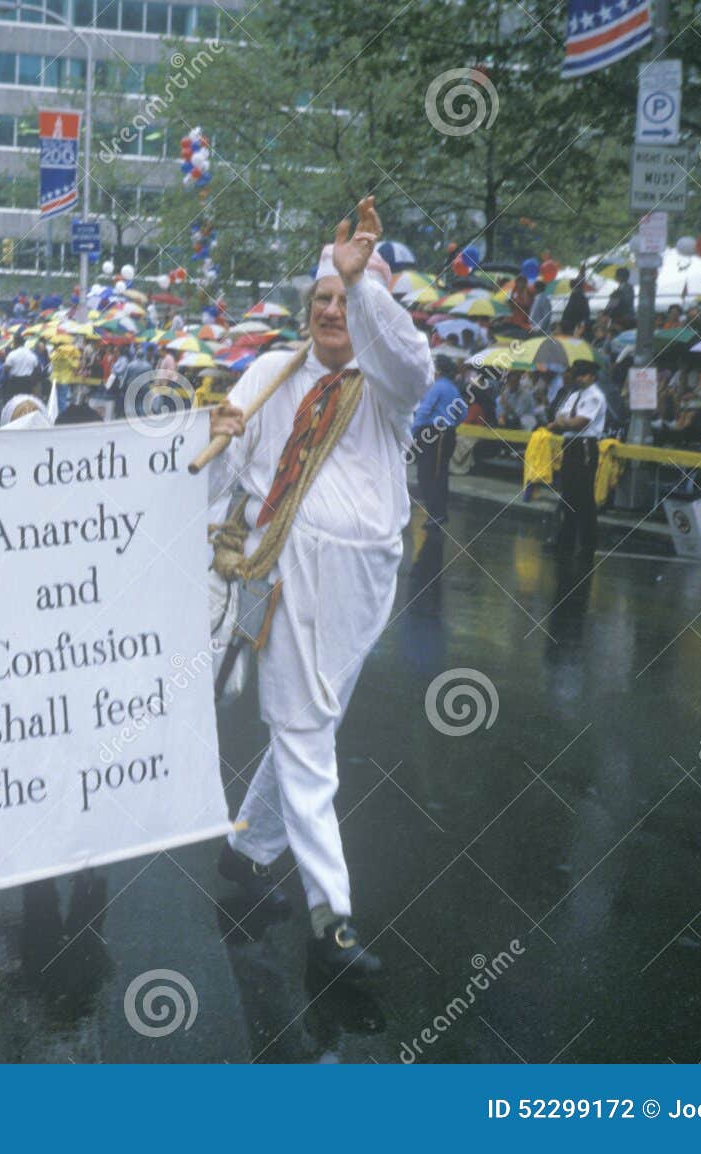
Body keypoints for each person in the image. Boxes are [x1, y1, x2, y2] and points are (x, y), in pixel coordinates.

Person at [206, 197, 431, 981]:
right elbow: (221, 474)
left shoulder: (385, 383)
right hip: (285, 577)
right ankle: (331, 920)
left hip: (365, 582)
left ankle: (246, 851)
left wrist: (362, 278)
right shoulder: (271, 374)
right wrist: (219, 435)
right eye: (324, 298)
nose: (333, 310)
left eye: (347, 300)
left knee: (311, 723)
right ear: (307, 308)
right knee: (305, 738)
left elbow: (415, 363)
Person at [547, 360, 607, 559]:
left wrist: (564, 422)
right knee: (568, 493)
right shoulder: (573, 395)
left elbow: (579, 423)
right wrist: (564, 422)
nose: (579, 378)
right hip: (570, 445)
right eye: (577, 374)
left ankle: (588, 544)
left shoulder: (595, 396)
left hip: (585, 445)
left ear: (592, 376)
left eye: (583, 374)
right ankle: (567, 540)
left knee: (584, 496)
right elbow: (558, 418)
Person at [411, 350, 470, 528]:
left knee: (427, 474)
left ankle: (435, 514)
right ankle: (439, 513)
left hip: (434, 433)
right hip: (447, 433)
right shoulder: (452, 387)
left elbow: (424, 411)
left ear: (438, 371)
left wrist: (413, 433)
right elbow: (463, 412)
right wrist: (452, 423)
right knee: (440, 474)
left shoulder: (437, 387)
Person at [560, 274, 591, 338]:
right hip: (575, 323)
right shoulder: (581, 296)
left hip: (572, 324)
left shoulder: (575, 295)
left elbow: (571, 310)